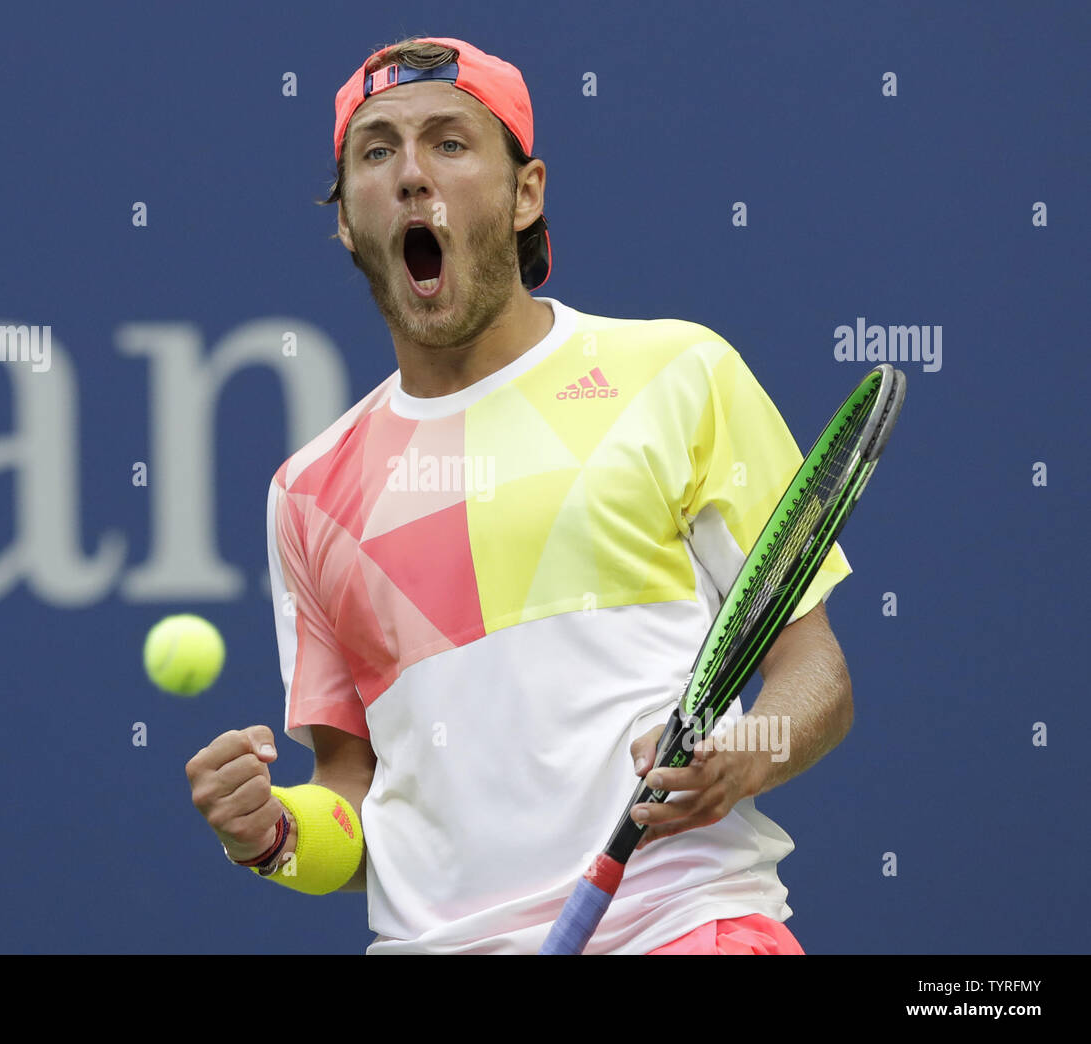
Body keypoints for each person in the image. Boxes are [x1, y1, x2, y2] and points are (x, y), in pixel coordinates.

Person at [186, 35, 854, 955]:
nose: (414, 174)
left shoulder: (679, 373)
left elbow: (816, 673)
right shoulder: (307, 494)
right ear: (347, 219)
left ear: (525, 192)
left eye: (451, 143)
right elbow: (351, 798)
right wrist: (272, 836)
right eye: (377, 151)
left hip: (684, 927)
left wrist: (747, 753)